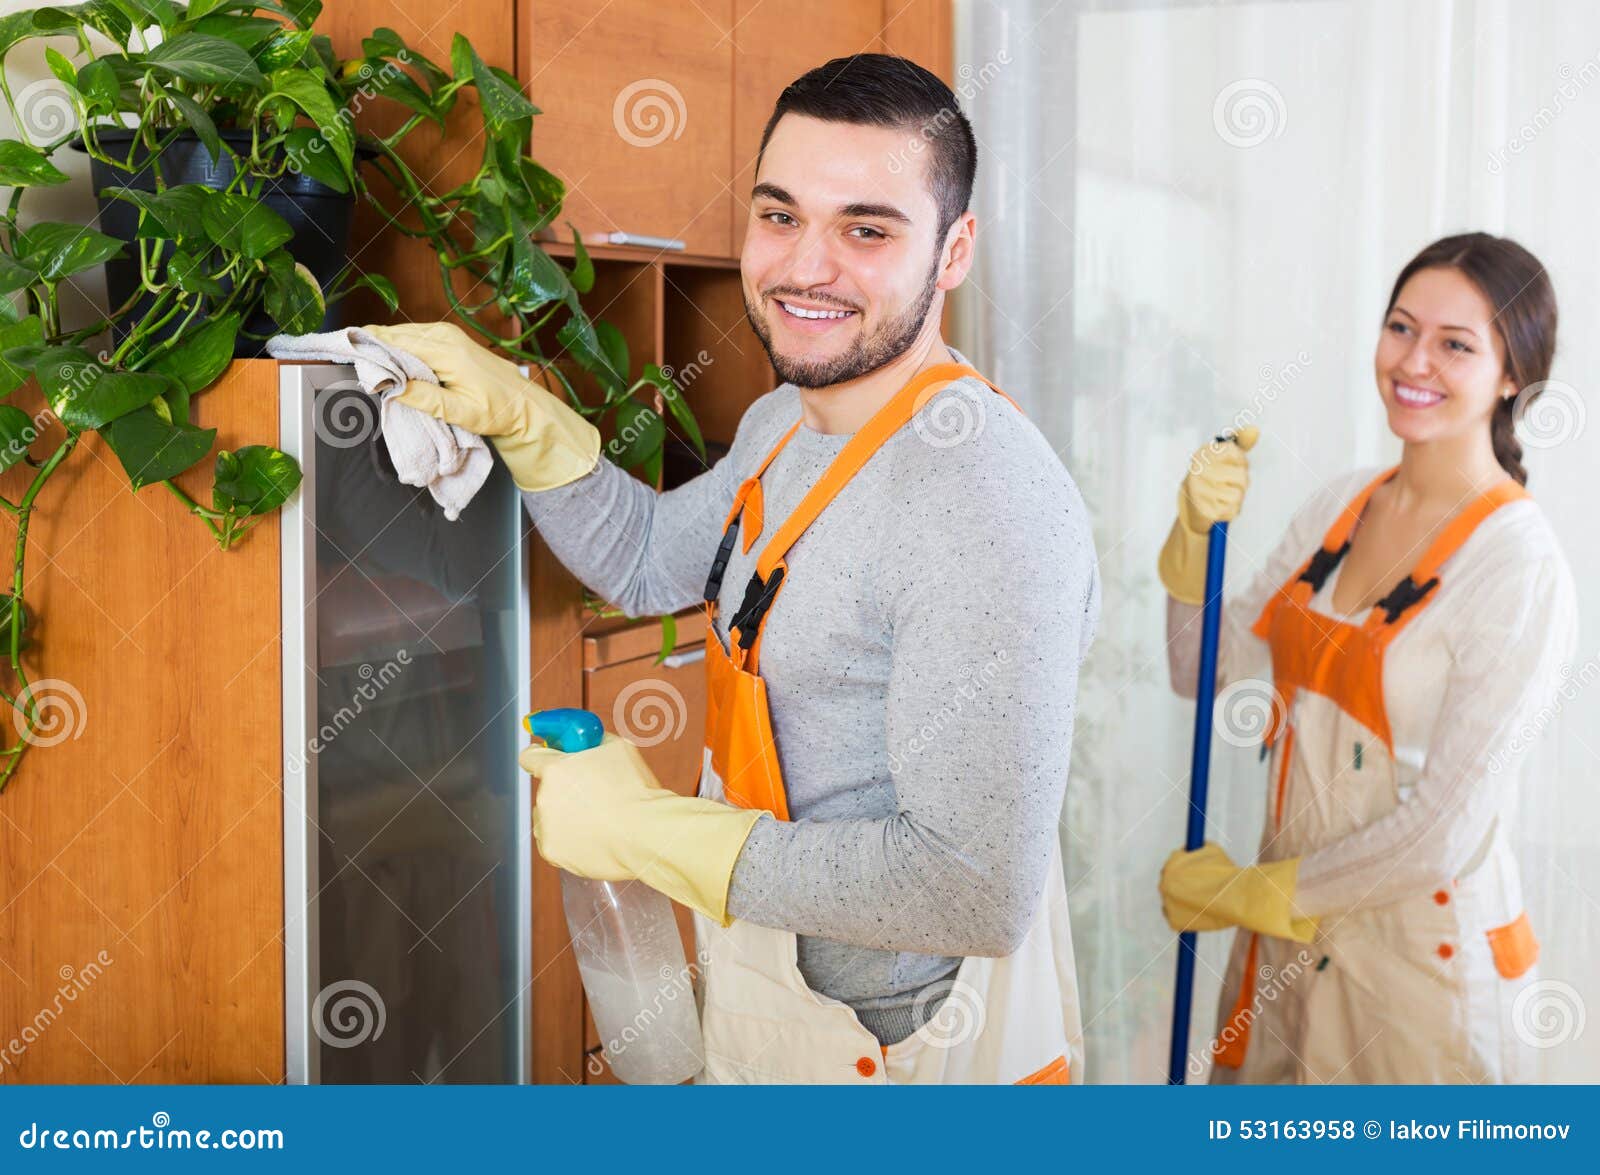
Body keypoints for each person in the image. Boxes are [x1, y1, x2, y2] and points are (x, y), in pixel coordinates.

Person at [365, 53, 1099, 1085]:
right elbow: (650, 559)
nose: (807, 266)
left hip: (905, 1053)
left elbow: (968, 885)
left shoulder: (982, 502)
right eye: (779, 214)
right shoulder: (781, 425)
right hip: (778, 983)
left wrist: (649, 828)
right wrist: (530, 420)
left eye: (867, 228)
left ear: (954, 249)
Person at [1156, 233, 1578, 1084]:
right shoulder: (1338, 507)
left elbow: (1443, 830)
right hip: (1283, 954)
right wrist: (1189, 544)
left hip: (1422, 971)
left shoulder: (1518, 567)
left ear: (1510, 375)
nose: (1414, 361)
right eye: (1400, 327)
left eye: (1456, 344)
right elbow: (1201, 671)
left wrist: (1260, 892)